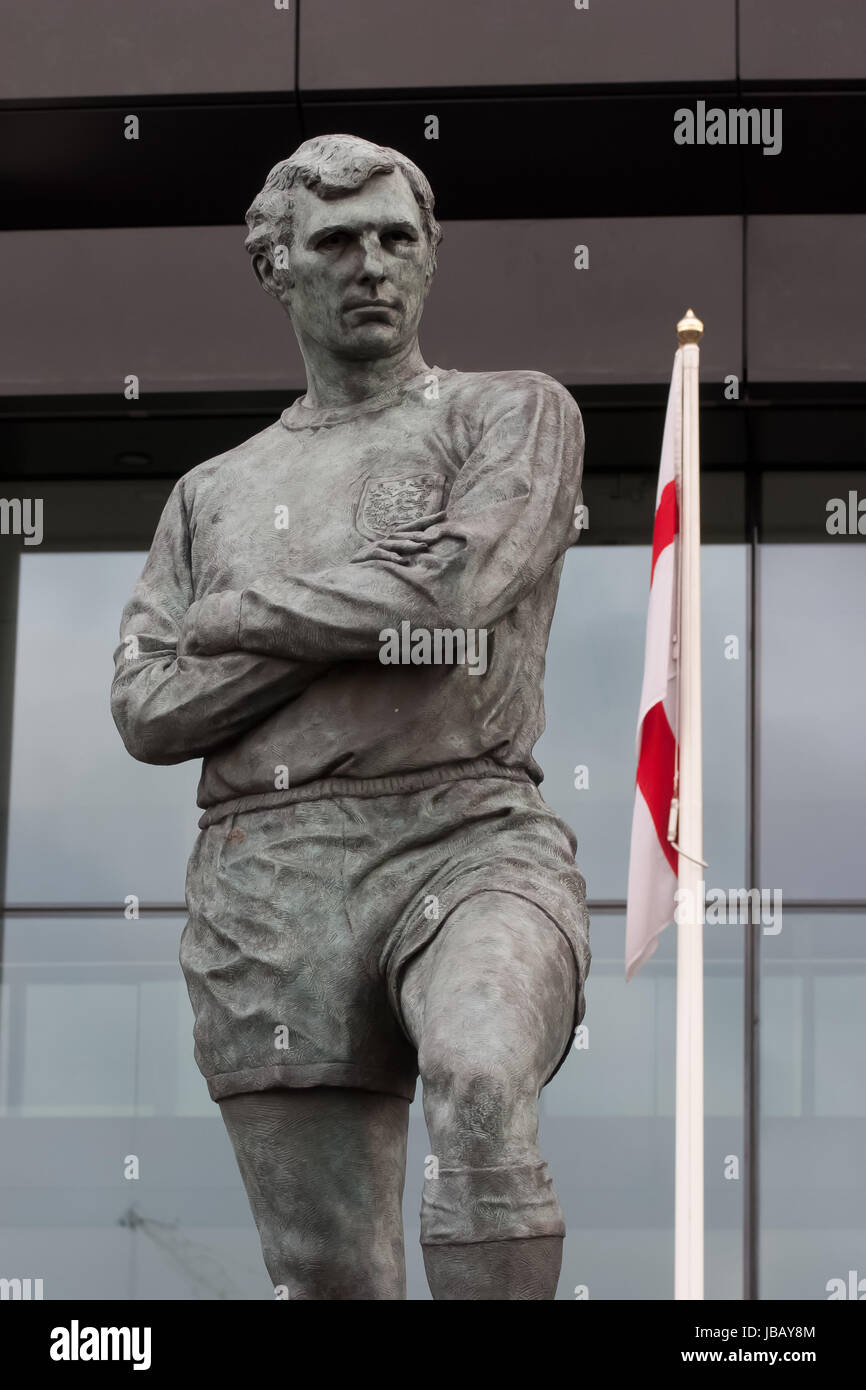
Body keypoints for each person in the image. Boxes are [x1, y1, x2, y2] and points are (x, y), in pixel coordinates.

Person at [111, 133, 591, 1300]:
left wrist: (243, 616)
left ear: (429, 257)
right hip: (267, 884)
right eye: (334, 241)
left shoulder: (510, 415)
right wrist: (353, 619)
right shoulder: (212, 492)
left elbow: (456, 592)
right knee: (331, 1276)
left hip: (463, 831)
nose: (371, 263)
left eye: (396, 238)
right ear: (278, 267)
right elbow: (147, 705)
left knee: (479, 1074)